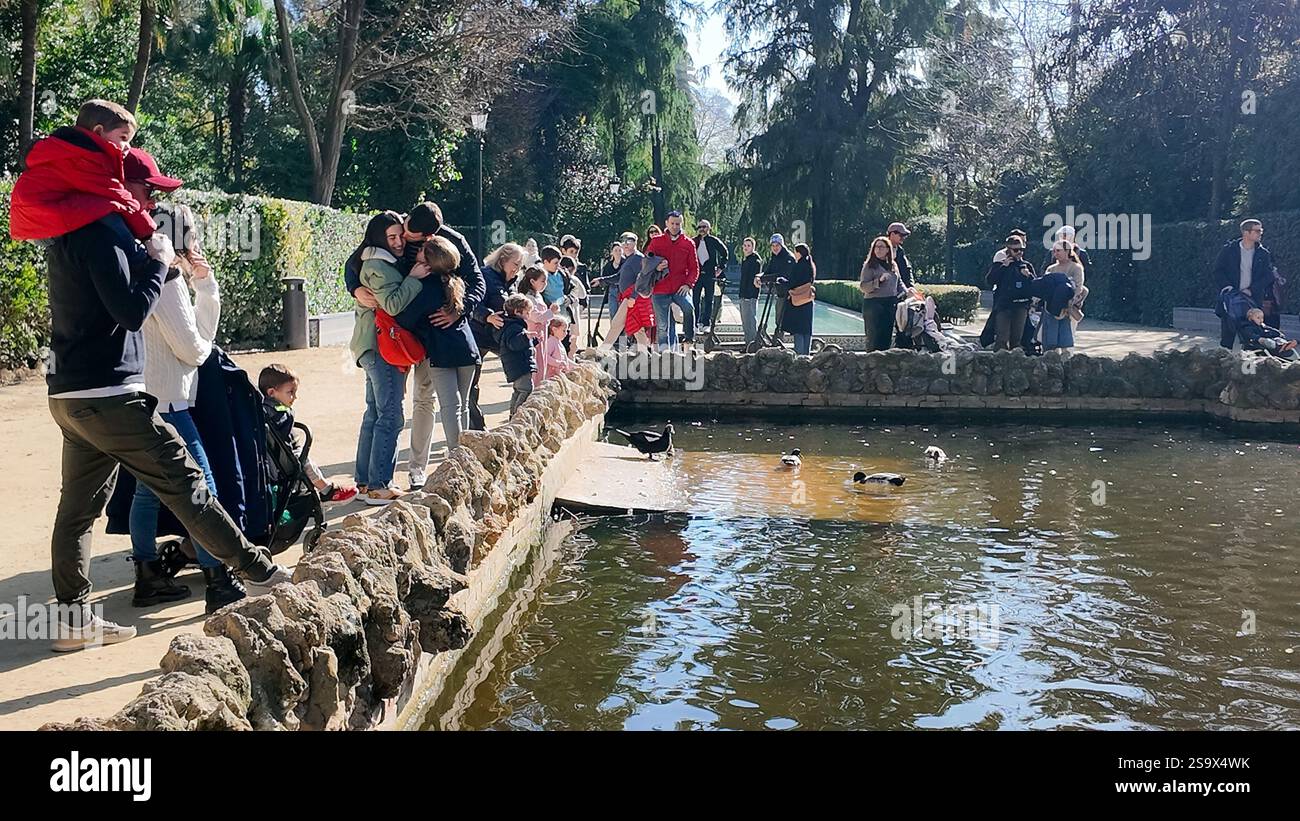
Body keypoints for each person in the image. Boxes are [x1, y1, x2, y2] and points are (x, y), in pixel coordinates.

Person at [36, 102, 289, 650]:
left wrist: (155, 261)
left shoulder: (71, 227)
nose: (151, 202)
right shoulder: (102, 229)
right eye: (146, 192)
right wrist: (159, 260)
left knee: (77, 511)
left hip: (72, 394)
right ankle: (260, 574)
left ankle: (73, 622)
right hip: (110, 395)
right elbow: (130, 311)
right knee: (187, 483)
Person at [121, 153, 245, 612]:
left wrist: (202, 289)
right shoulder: (167, 276)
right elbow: (194, 348)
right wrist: (206, 291)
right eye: (192, 235)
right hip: (170, 400)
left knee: (146, 488)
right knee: (200, 487)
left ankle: (147, 574)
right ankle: (219, 579)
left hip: (137, 395)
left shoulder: (133, 263)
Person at [348, 211, 430, 505]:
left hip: (371, 346)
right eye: (391, 237)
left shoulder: (373, 261)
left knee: (374, 414)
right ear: (378, 239)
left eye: (399, 236)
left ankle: (365, 483)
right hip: (383, 348)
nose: (397, 242)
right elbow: (393, 305)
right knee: (391, 416)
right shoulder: (379, 265)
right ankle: (379, 485)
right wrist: (414, 278)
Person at [399, 236, 485, 452]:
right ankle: (465, 452)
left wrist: (410, 278)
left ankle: (457, 454)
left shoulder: (423, 288)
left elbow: (405, 319)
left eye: (421, 250)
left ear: (428, 260)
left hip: (441, 353)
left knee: (450, 407)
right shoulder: (456, 284)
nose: (416, 251)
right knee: (463, 406)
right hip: (467, 350)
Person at [258, 364, 357, 504]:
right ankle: (327, 491)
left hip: (272, 460)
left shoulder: (260, 409)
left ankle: (325, 490)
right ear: (271, 393)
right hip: (284, 461)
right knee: (304, 461)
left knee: (302, 459)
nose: (295, 397)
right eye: (290, 392)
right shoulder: (278, 413)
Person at [470, 242, 525, 430]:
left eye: (520, 265)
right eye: (515, 264)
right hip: (478, 334)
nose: (517, 269)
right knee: (471, 384)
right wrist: (487, 316)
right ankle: (476, 428)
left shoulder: (512, 282)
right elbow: (471, 304)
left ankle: (517, 419)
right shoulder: (485, 275)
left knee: (523, 365)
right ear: (502, 260)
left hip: (499, 336)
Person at [1214, 219, 1278, 348]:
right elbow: (1218, 270)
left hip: (1252, 299)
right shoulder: (1229, 250)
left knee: (1252, 331)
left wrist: (1252, 289)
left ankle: (1251, 362)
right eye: (1257, 230)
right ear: (1246, 232)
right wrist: (1227, 287)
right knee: (1228, 331)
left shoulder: (1263, 253)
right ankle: (1224, 359)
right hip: (1231, 297)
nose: (1260, 233)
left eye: (1261, 230)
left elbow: (1268, 275)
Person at [645, 211, 700, 350]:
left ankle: (688, 341)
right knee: (663, 326)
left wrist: (689, 284)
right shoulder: (657, 241)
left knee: (689, 308)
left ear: (681, 224)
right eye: (672, 223)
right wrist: (656, 267)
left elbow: (694, 268)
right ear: (667, 224)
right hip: (660, 288)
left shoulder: (688, 243)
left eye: (678, 224)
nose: (675, 226)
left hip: (679, 286)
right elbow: (646, 262)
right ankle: (665, 354)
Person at [985, 235, 1036, 350]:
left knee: (1017, 340)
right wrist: (1003, 267)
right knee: (1002, 339)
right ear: (1008, 250)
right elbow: (990, 280)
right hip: (1004, 306)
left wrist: (1028, 276)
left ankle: (1016, 363)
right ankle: (999, 364)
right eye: (1016, 250)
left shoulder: (1027, 266)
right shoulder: (1000, 265)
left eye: (1022, 250)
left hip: (1021, 306)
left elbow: (1035, 286)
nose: (1019, 252)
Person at [1039, 239, 1084, 352]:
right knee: (1051, 339)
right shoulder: (1051, 268)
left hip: (1067, 308)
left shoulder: (1076, 267)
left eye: (1058, 250)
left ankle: (1066, 360)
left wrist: (1069, 301)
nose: (1055, 253)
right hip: (1051, 308)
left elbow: (1078, 287)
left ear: (1067, 251)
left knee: (1065, 338)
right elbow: (1045, 286)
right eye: (1054, 251)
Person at [859, 235, 902, 352]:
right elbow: (863, 287)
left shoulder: (893, 265)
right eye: (876, 247)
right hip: (874, 305)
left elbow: (899, 283)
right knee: (874, 338)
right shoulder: (869, 266)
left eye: (881, 247)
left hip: (890, 304)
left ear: (888, 249)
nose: (878, 250)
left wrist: (908, 292)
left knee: (886, 337)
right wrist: (878, 281)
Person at [499, 295, 539, 415]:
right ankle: (519, 415)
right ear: (517, 312)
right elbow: (513, 344)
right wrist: (525, 337)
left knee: (518, 391)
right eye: (527, 313)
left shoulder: (513, 326)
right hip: (520, 365)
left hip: (518, 365)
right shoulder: (514, 327)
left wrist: (533, 340)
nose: (528, 316)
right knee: (526, 390)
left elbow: (521, 343)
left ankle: (513, 415)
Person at [693, 219, 729, 333]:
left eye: (704, 227)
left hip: (710, 274)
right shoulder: (694, 241)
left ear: (709, 229)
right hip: (697, 273)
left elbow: (724, 253)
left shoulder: (714, 241)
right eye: (700, 227)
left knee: (709, 299)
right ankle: (695, 323)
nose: (702, 229)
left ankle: (706, 323)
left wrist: (720, 268)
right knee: (695, 299)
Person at [781, 243, 817, 355]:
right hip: (807, 301)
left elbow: (793, 282)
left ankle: (799, 355)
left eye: (795, 252)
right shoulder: (810, 265)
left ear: (799, 253)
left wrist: (783, 281)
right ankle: (806, 355)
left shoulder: (798, 266)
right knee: (807, 330)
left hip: (797, 301)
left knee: (798, 330)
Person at [762, 233, 796, 338]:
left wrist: (767, 278)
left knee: (782, 318)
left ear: (782, 245)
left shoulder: (788, 258)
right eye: (773, 246)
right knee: (778, 318)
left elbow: (783, 275)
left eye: (777, 245)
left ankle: (779, 340)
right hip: (780, 293)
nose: (775, 248)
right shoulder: (775, 257)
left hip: (788, 294)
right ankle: (777, 339)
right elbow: (768, 272)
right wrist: (760, 278)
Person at [738, 237, 762, 345]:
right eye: (745, 245)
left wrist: (749, 295)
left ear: (753, 247)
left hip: (750, 295)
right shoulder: (745, 260)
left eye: (749, 246)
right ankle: (748, 343)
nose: (746, 248)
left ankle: (753, 344)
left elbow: (755, 278)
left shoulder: (755, 261)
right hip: (743, 294)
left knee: (751, 321)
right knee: (745, 321)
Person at [887, 222, 914, 288]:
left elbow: (907, 269)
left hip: (900, 288)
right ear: (892, 234)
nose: (903, 238)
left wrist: (910, 286)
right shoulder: (880, 248)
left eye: (905, 236)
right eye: (901, 235)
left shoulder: (900, 251)